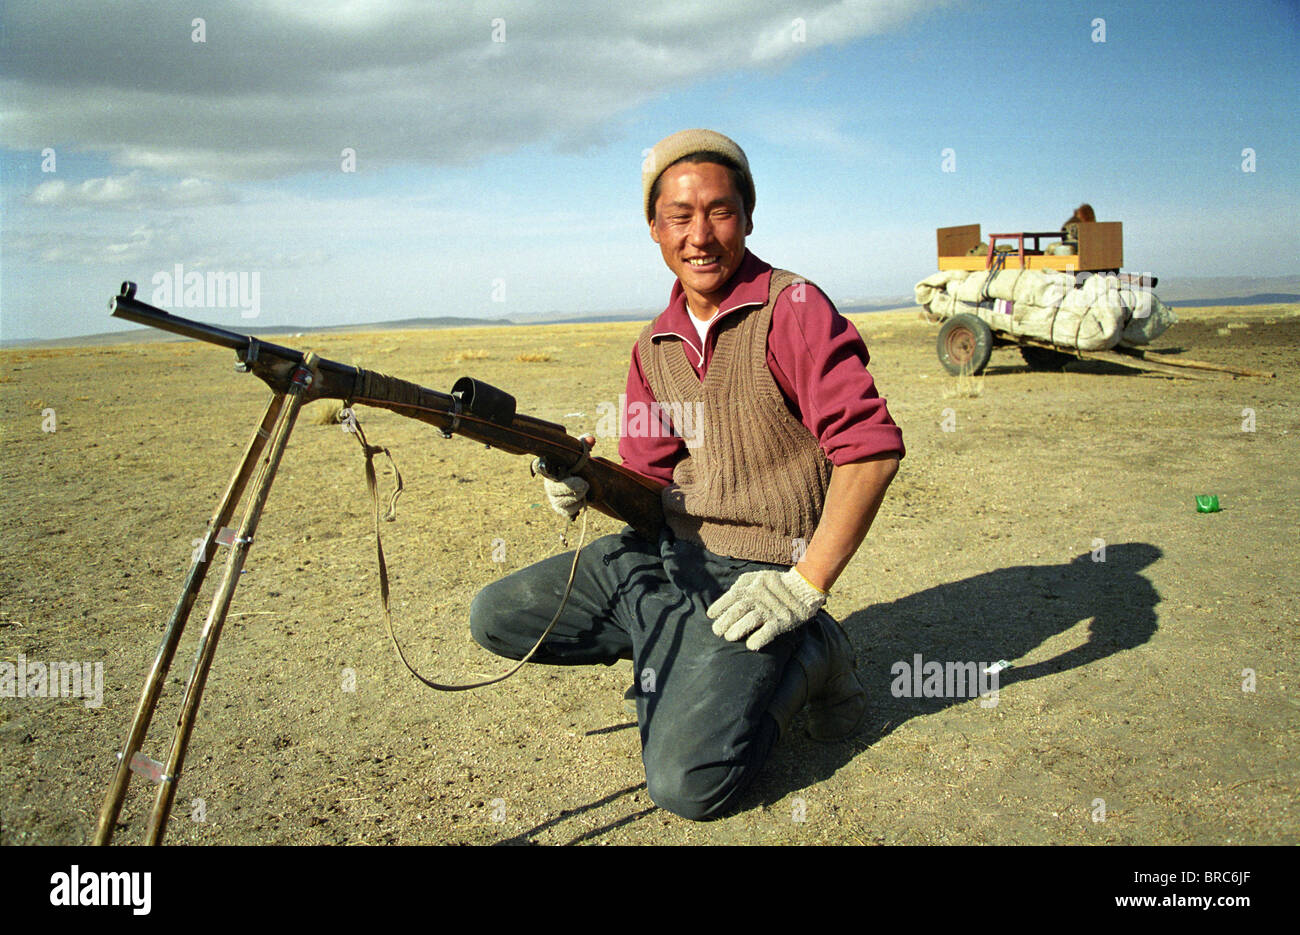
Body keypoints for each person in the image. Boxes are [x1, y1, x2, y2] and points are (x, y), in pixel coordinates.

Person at [469, 129, 904, 821]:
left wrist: (805, 584)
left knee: (688, 786)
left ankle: (813, 649)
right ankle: (679, 658)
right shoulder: (654, 343)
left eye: (719, 211)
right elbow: (644, 481)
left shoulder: (793, 309)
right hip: (667, 553)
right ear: (654, 228)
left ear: (748, 217)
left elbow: (870, 449)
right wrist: (583, 481)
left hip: (760, 571)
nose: (700, 235)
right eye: (679, 216)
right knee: (496, 616)